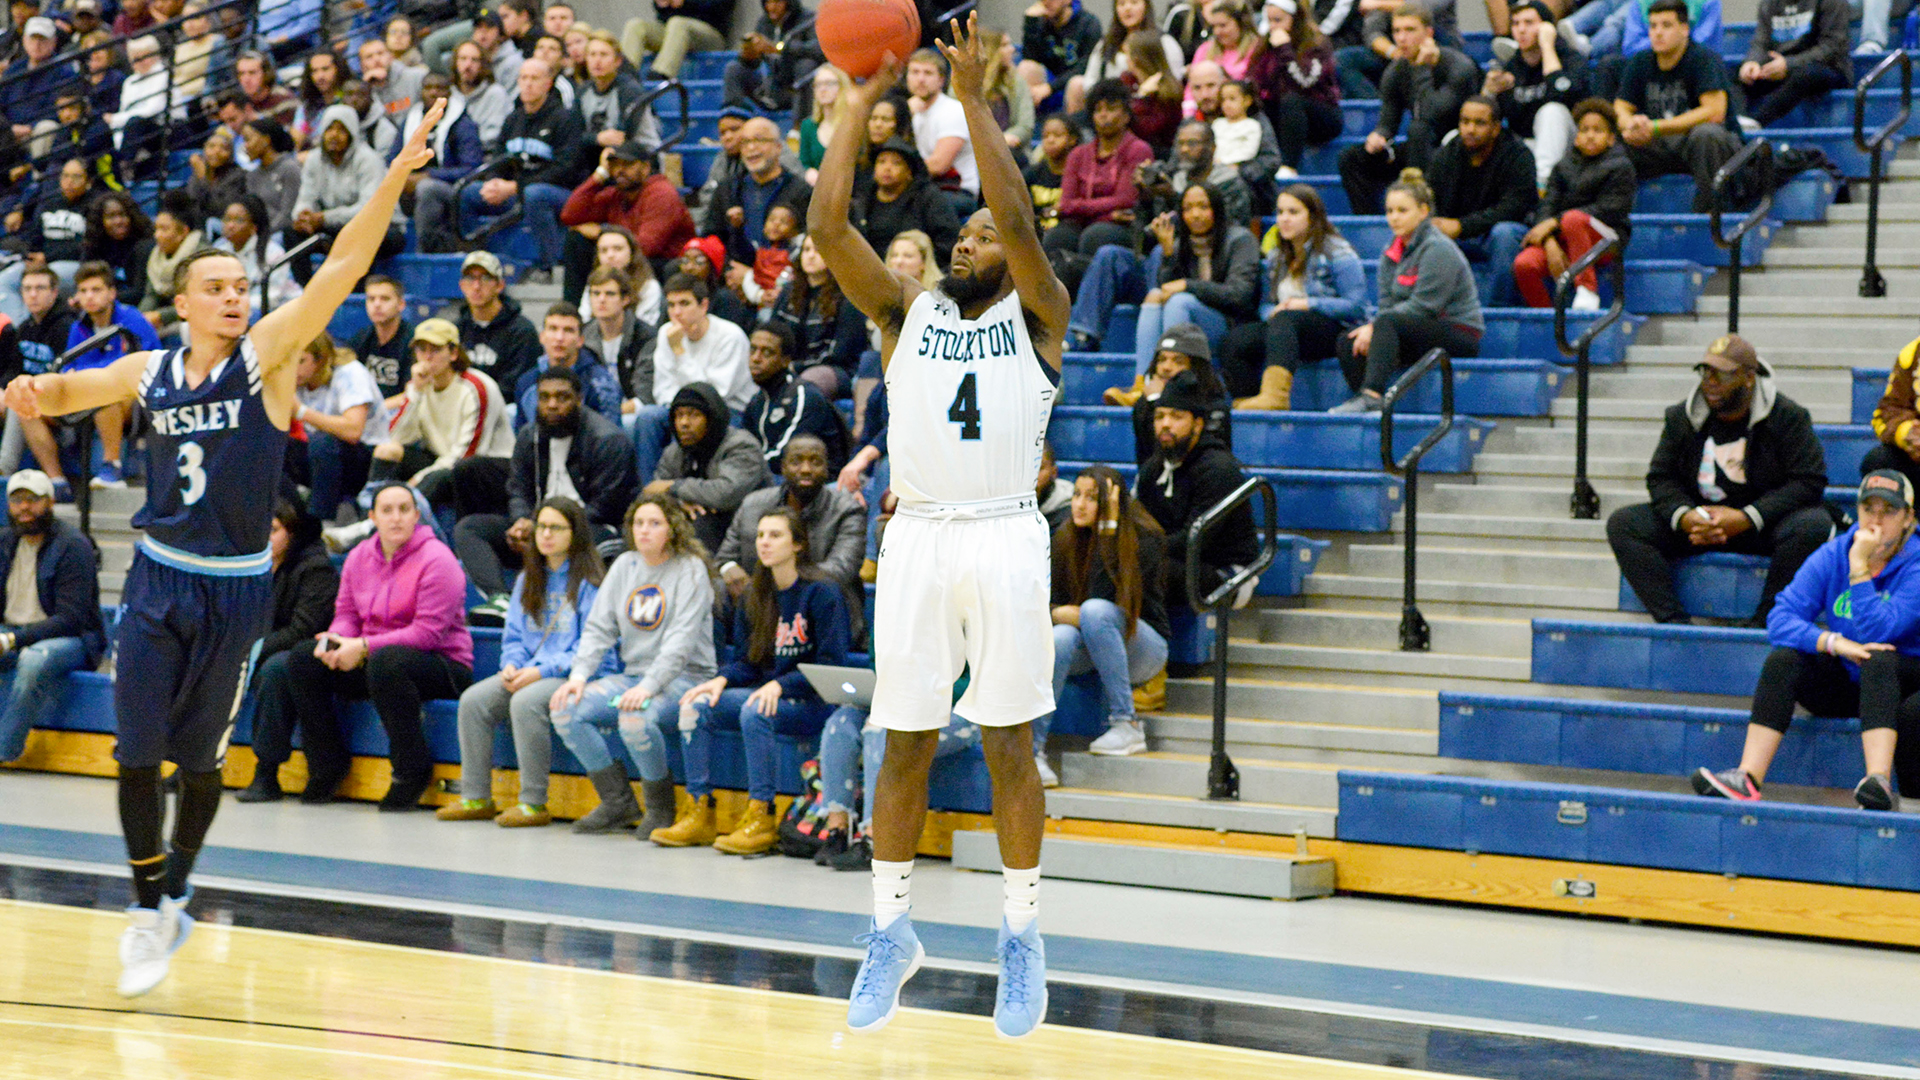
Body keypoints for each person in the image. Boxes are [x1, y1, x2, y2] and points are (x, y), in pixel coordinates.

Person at [0, 98, 448, 997]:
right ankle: (140, 903)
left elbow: (347, 263)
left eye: (244, 285)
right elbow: (64, 393)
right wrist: (29, 389)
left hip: (238, 592)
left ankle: (178, 886)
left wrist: (396, 172)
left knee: (199, 762)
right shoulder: (148, 369)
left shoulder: (270, 354)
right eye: (220, 287)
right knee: (135, 751)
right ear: (182, 301)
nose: (238, 297)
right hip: (161, 580)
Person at [809, 15, 1070, 1037]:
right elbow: (830, 229)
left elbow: (1017, 215)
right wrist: (863, 95)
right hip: (917, 534)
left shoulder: (1039, 309)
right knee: (902, 743)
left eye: (980, 239)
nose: (968, 243)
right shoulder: (903, 315)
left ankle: (1020, 933)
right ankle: (891, 931)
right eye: (954, 237)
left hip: (1005, 533)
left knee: (1008, 741)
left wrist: (970, 100)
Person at [1693, 469, 1920, 812]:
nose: (1876, 521)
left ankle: (1878, 782)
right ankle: (1747, 777)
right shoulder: (1834, 553)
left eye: (1888, 511)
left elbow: (1881, 631)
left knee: (1880, 660)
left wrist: (1859, 568)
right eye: (1868, 510)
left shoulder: (1915, 562)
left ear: (1907, 519)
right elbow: (1780, 617)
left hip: (1903, 683)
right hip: (1850, 678)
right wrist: (1832, 642)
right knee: (1784, 660)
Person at [1606, 334, 1834, 626]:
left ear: (1749, 377)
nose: (1710, 382)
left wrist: (1747, 517)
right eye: (1705, 372)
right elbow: (1661, 477)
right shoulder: (1683, 416)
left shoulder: (1787, 417)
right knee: (1624, 523)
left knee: (1813, 525)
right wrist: (1687, 516)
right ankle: (1675, 624)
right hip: (1701, 526)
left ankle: (1765, 623)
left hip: (1758, 526)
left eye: (1722, 374)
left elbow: (1809, 481)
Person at [665, 505, 849, 855]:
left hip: (813, 702)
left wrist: (782, 684)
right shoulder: (755, 594)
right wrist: (721, 680)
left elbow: (831, 664)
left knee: (754, 710)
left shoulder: (823, 593)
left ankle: (761, 813)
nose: (764, 543)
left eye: (775, 535)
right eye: (761, 535)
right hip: (767, 694)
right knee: (695, 705)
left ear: (798, 544)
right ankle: (699, 809)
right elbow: (746, 663)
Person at [290, 480, 474, 808]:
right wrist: (336, 640)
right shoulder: (359, 556)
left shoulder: (438, 560)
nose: (396, 518)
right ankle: (327, 765)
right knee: (305, 658)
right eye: (387, 511)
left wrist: (361, 647)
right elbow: (346, 613)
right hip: (377, 659)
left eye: (404, 510)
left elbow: (426, 635)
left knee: (387, 662)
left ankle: (411, 770)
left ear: (417, 515)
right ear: (372, 517)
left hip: (442, 665)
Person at [548, 493, 718, 839]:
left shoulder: (690, 569)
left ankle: (660, 807)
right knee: (565, 708)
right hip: (633, 676)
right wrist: (578, 676)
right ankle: (617, 801)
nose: (644, 531)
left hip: (687, 678)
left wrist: (648, 687)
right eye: (638, 524)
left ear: (672, 528)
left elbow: (682, 642)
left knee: (634, 717)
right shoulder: (625, 566)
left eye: (654, 523)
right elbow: (598, 627)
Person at [441, 496, 606, 828]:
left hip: (575, 673)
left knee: (526, 702)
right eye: (541, 527)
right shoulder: (527, 579)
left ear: (575, 533)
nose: (545, 535)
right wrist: (512, 665)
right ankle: (476, 796)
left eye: (555, 528)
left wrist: (540, 671)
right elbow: (514, 636)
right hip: (530, 669)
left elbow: (591, 647)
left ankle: (533, 802)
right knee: (474, 701)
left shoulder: (591, 583)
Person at [458, 365, 636, 610]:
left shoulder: (608, 440)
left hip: (588, 529)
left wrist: (548, 526)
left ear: (579, 400)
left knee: (601, 544)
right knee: (470, 528)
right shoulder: (529, 436)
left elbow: (606, 506)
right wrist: (522, 521)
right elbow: (518, 488)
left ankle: (576, 608)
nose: (552, 405)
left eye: (562, 397)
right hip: (539, 528)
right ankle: (500, 600)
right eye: (545, 398)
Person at [1037, 464, 1169, 763]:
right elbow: (1046, 603)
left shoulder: (1144, 538)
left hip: (1143, 646)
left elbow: (1107, 598)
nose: (1080, 505)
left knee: (1096, 611)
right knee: (1059, 638)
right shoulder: (1064, 536)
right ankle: (1034, 753)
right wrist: (1059, 614)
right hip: (1090, 640)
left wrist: (1108, 528)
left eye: (1092, 497)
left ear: (1113, 502)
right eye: (1076, 495)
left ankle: (1127, 723)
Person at [1333, 169, 1483, 413]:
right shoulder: (1390, 252)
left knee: (1385, 322)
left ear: (1423, 212)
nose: (1394, 218)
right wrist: (1373, 328)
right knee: (1348, 340)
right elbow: (1386, 304)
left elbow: (1426, 307)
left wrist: (1376, 326)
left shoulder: (1438, 248)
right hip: (1412, 329)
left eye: (1402, 211)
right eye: (1390, 211)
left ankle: (1373, 394)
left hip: (1458, 331)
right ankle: (1368, 405)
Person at [231, 498, 342, 802]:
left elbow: (303, 630)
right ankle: (189, 762)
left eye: (273, 530)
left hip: (301, 655)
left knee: (278, 669)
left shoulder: (315, 569)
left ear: (291, 533)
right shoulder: (248, 568)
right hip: (255, 651)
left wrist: (250, 652)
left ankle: (266, 774)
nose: (264, 537)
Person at [1222, 184, 1366, 409]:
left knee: (1286, 318)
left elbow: (1356, 307)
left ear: (1313, 216)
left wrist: (1307, 304)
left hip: (1332, 330)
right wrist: (1274, 311)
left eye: (1293, 212)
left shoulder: (1336, 250)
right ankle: (1246, 402)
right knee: (1236, 340)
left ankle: (1276, 396)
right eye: (1280, 212)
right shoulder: (1276, 255)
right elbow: (1266, 305)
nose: (1284, 219)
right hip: (1286, 331)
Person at [0, 469, 106, 764]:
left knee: (33, 660)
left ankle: (5, 750)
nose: (24, 508)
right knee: (25, 653)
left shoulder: (73, 546)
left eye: (32, 500)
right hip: (12, 634)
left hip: (70, 641)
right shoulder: (4, 543)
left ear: (49, 503)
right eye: (17, 500)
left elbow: (71, 618)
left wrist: (12, 639)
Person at [1336, 7, 1483, 211]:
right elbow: (1388, 122)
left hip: (1459, 151)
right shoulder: (1395, 71)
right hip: (1420, 148)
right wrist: (1379, 136)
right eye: (1397, 31)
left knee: (1418, 130)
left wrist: (1422, 68)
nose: (1402, 38)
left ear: (1429, 33)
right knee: (1351, 158)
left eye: (1410, 30)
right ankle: (1370, 223)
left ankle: (1420, 211)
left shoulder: (1459, 67)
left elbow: (1430, 114)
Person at [1137, 370, 1260, 613]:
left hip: (1226, 572)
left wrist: (1140, 548)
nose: (1165, 424)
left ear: (1197, 424)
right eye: (1159, 416)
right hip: (1177, 560)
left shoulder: (1218, 468)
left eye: (1176, 416)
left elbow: (1195, 539)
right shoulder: (1153, 467)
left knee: (1141, 564)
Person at [1124, 184, 1262, 394]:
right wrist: (1169, 254)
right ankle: (1142, 383)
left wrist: (1188, 285)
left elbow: (1239, 295)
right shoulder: (1181, 244)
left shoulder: (1240, 239)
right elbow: (1166, 289)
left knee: (1181, 300)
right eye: (1188, 209)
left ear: (1217, 209)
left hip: (1230, 326)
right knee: (1154, 296)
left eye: (1203, 207)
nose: (1195, 215)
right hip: (1186, 321)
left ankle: (1174, 382)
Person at [367, 318, 516, 510]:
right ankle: (369, 513)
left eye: (435, 350)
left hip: (486, 467)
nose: (427, 358)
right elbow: (397, 437)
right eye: (421, 350)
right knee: (387, 451)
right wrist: (415, 394)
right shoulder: (419, 386)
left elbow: (468, 454)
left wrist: (420, 478)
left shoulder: (476, 387)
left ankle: (375, 528)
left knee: (442, 475)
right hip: (441, 458)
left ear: (454, 353)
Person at [1612, 0, 1740, 213]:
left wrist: (1655, 127)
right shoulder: (1640, 61)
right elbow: (1620, 106)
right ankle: (1616, 220)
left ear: (1685, 29)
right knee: (1612, 142)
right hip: (1660, 145)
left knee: (1707, 134)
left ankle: (1710, 218)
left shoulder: (1704, 58)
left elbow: (1714, 112)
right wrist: (1631, 125)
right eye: (1653, 26)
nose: (1658, 33)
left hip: (1702, 145)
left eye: (1666, 25)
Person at [463, 59, 582, 280]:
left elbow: (566, 169)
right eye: (523, 78)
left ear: (548, 84)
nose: (527, 84)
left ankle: (551, 267)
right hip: (518, 191)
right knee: (469, 193)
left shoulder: (566, 118)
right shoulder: (513, 119)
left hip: (559, 194)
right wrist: (494, 182)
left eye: (534, 79)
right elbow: (498, 158)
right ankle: (479, 261)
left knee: (534, 194)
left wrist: (515, 187)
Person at [1414, 96, 1538, 308]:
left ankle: (1500, 311)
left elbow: (1514, 208)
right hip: (1461, 236)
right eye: (1465, 122)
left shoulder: (1518, 155)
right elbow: (1429, 195)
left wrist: (1462, 226)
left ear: (1496, 128)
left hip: (1499, 235)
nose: (1470, 129)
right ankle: (1430, 308)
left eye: (1479, 123)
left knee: (1505, 233)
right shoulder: (1449, 153)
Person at [1513, 97, 1634, 308]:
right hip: (1565, 235)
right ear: (1576, 137)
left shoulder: (1622, 166)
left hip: (1608, 238)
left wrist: (1556, 221)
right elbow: (1546, 205)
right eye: (1584, 130)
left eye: (1598, 130)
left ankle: (1587, 291)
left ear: (1611, 138)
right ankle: (1548, 319)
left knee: (1573, 219)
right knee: (1524, 265)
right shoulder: (1562, 166)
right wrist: (1549, 241)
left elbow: (1611, 209)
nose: (1590, 135)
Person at [635, 274, 754, 483]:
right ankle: (650, 491)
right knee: (647, 417)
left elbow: (714, 395)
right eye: (671, 305)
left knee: (686, 420)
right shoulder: (665, 334)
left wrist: (680, 351)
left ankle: (682, 488)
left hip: (729, 411)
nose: (676, 312)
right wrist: (681, 409)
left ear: (704, 305)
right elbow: (662, 389)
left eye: (684, 303)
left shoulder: (730, 336)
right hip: (680, 407)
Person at [64, 260, 164, 488]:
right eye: (83, 291)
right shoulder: (77, 327)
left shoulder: (132, 320)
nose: (89, 296)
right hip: (88, 394)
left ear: (111, 293)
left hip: (141, 397)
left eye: (96, 290)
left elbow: (147, 363)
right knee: (33, 410)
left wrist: (88, 374)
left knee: (105, 390)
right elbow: (68, 366)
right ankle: (57, 481)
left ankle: (112, 467)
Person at [286, 104, 407, 286]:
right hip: (336, 226)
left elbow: (369, 210)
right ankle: (305, 291)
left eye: (341, 130)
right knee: (292, 232)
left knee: (361, 234)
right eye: (329, 129)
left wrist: (324, 218)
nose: (334, 135)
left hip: (382, 228)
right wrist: (303, 215)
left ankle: (355, 295)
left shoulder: (368, 160)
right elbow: (306, 197)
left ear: (352, 133)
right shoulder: (314, 159)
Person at [647, 381, 771, 550]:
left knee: (701, 521)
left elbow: (725, 493)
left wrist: (675, 487)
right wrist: (680, 503)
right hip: (705, 525)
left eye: (693, 415)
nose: (684, 423)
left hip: (747, 530)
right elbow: (653, 491)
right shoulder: (675, 451)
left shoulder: (741, 445)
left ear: (711, 418)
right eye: (678, 415)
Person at [559, 141, 695, 297]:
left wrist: (603, 233)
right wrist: (600, 174)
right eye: (614, 165)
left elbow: (646, 248)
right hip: (629, 258)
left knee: (614, 255)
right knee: (576, 240)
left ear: (646, 168)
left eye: (628, 164)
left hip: (663, 265)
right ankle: (572, 314)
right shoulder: (616, 194)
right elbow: (569, 215)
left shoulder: (661, 193)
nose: (620, 170)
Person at [1043, 79, 1154, 258]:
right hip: (1091, 223)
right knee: (1057, 237)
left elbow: (1125, 200)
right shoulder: (1078, 154)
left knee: (1095, 235)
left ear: (1126, 115)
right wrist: (1109, 215)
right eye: (1098, 109)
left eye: (1110, 109)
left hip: (1123, 229)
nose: (1103, 115)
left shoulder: (1138, 150)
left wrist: (1079, 208)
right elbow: (1066, 202)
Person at [290, 332, 389, 524]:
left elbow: (353, 431)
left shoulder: (351, 373)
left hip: (366, 458)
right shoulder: (297, 380)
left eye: (301, 361)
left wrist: (301, 411)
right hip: (324, 457)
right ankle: (285, 517)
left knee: (323, 441)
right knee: (275, 445)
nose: (293, 369)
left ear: (320, 360)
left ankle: (322, 523)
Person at [1485, 1, 1585, 185]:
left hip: (1570, 144)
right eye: (1515, 23)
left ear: (1547, 27)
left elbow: (1561, 94)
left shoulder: (1570, 58)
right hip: (1528, 144)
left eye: (1529, 23)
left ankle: (1542, 188)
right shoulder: (1511, 68)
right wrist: (1489, 92)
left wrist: (1547, 46)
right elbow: (1490, 118)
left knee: (1552, 111)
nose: (1521, 30)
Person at [705, 115, 812, 272]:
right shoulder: (727, 190)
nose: (751, 148)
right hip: (733, 279)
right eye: (745, 142)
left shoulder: (801, 191)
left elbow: (806, 244)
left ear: (778, 147)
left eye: (759, 140)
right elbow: (713, 239)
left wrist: (753, 276)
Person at [1248, 0, 1342, 175]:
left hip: (1322, 114)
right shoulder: (1266, 44)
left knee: (1292, 100)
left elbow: (1304, 83)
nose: (1274, 27)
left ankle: (1289, 166)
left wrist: (1285, 50)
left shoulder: (1316, 44)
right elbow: (1256, 81)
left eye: (1278, 20)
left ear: (1294, 19)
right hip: (1284, 115)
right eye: (1270, 21)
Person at [740, 324, 851, 471]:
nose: (756, 358)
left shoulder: (804, 396)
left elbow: (787, 456)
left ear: (785, 360)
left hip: (815, 483)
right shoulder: (757, 401)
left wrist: (744, 467)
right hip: (772, 476)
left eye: (767, 352)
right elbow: (745, 448)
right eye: (753, 349)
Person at [0, 159, 97, 325]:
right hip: (42, 263)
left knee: (38, 282)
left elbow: (88, 246)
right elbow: (34, 237)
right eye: (65, 176)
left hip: (74, 265)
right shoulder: (50, 202)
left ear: (89, 181)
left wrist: (47, 257)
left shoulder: (95, 205)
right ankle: (21, 329)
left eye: (76, 177)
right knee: (5, 281)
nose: (69, 182)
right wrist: (29, 255)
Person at [770, 235, 868, 398]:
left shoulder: (848, 297)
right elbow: (772, 333)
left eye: (818, 250)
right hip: (790, 366)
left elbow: (839, 354)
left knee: (805, 384)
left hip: (835, 370)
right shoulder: (789, 291)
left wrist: (795, 367)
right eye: (806, 250)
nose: (810, 255)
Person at [402, 75, 487, 255]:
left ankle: (425, 252)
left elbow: (472, 169)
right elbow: (392, 159)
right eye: (428, 88)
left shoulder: (463, 124)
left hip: (454, 191)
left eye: (440, 88)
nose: (434, 92)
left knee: (427, 188)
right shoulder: (411, 120)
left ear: (449, 93)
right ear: (421, 92)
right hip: (411, 187)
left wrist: (430, 175)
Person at [852, 138, 961, 273]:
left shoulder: (928, 197)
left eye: (896, 163)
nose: (887, 168)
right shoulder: (862, 200)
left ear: (909, 172)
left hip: (918, 275)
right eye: (881, 162)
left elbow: (947, 242)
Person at [1738, 0, 1850, 129]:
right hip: (1779, 68)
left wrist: (1789, 64)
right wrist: (1752, 62)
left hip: (1826, 67)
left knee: (1805, 74)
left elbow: (1832, 47)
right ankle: (1735, 124)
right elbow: (1760, 42)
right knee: (1734, 75)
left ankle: (1755, 122)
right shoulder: (1769, 3)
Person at [444, 251, 541, 397]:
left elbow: (517, 386)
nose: (476, 286)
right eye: (470, 278)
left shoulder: (522, 331)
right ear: (462, 285)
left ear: (499, 285)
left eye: (485, 278)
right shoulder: (455, 331)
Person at [512, 302, 622, 427]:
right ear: (542, 337)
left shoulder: (601, 383)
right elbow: (522, 437)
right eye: (553, 329)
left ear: (580, 340)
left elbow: (611, 437)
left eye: (568, 330)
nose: (559, 337)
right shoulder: (526, 383)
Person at [1067, 0, 1186, 115]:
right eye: (1121, 3)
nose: (1127, 8)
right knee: (1076, 84)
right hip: (1107, 106)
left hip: (1150, 107)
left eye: (1134, 2)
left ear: (1146, 6)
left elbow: (1172, 84)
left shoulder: (1165, 42)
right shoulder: (1106, 44)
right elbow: (1090, 81)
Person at [1337, 0, 1465, 99]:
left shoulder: (1382, 3)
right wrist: (1394, 53)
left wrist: (1380, 3)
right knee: (1342, 60)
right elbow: (1372, 33)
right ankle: (1377, 107)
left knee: (1437, 33)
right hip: (1398, 51)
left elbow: (1423, 8)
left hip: (1438, 48)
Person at [904, 48, 981, 210]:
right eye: (915, 72)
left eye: (928, 73)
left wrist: (899, 173)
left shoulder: (953, 110)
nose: (920, 79)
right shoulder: (908, 110)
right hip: (923, 186)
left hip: (956, 191)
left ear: (941, 80)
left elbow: (938, 166)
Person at [724, 0, 820, 118]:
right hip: (771, 87)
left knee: (806, 65)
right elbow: (754, 64)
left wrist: (780, 48)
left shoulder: (808, 19)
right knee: (734, 68)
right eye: (768, 2)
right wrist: (748, 56)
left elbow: (819, 49)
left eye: (777, 2)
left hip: (795, 87)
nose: (771, 7)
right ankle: (733, 121)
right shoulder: (764, 22)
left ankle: (800, 126)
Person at [578, 29, 661, 155]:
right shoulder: (582, 91)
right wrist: (597, 138)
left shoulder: (630, 90)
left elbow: (621, 137)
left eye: (604, 54)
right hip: (601, 153)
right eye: (592, 54)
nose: (597, 60)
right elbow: (573, 135)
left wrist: (592, 139)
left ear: (618, 61)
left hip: (639, 157)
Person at [213, 195, 295, 316]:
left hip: (283, 313)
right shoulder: (219, 252)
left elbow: (272, 297)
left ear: (253, 227)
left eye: (239, 220)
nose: (230, 225)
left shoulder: (273, 252)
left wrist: (232, 305)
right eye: (227, 219)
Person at [1020, 0, 1104, 109]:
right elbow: (1030, 58)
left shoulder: (1089, 23)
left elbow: (1085, 67)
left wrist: (1050, 87)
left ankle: (1072, 125)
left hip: (1072, 84)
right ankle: (1027, 123)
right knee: (1026, 67)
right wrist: (1030, 23)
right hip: (1048, 81)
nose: (1046, 2)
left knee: (1077, 83)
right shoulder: (1041, 20)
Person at [1863, 335, 1920, 494]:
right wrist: (1907, 432)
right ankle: (1895, 517)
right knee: (1879, 460)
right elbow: (1886, 413)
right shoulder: (1913, 352)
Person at [140, 197, 204, 336]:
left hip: (196, 318)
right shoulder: (156, 256)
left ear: (183, 232)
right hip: (170, 315)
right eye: (156, 229)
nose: (157, 235)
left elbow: (198, 301)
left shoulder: (201, 256)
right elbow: (151, 295)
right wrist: (141, 317)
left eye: (164, 229)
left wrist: (160, 316)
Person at [83, 193, 157, 311]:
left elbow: (139, 293)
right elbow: (86, 279)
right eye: (111, 216)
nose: (118, 221)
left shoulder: (144, 246)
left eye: (122, 215)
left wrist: (104, 297)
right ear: (100, 221)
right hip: (102, 304)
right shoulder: (94, 245)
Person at [624, 0, 731, 81]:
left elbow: (721, 6)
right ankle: (624, 78)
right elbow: (662, 12)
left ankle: (660, 76)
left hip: (711, 34)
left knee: (678, 23)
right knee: (635, 25)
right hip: (672, 32)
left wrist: (687, 3)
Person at [352, 274, 415, 403]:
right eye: (371, 299)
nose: (377, 304)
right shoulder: (361, 338)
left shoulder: (413, 341)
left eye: (385, 299)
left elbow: (413, 393)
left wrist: (376, 412)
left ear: (401, 304)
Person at [240, 117, 301, 237]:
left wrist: (262, 236)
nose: (245, 146)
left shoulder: (289, 168)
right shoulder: (252, 176)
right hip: (260, 235)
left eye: (248, 139)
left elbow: (288, 215)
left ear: (266, 139)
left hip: (283, 234)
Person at [185, 127, 246, 233]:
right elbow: (192, 202)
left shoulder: (237, 175)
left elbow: (221, 210)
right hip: (200, 227)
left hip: (224, 228)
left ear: (231, 154)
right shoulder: (200, 172)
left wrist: (203, 178)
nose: (216, 151)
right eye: (211, 146)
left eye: (224, 148)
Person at [451, 39, 511, 145]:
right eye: (463, 59)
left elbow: (495, 134)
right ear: (455, 63)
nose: (468, 65)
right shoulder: (449, 94)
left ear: (483, 65)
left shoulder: (496, 94)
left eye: (474, 60)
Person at [1025, 115, 1078, 233]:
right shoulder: (1033, 173)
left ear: (1072, 139)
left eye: (1057, 135)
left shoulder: (1080, 174)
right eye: (1045, 136)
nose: (1050, 140)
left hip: (1064, 233)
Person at [799, 65, 850, 184]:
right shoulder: (808, 126)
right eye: (818, 85)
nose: (823, 89)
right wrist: (809, 172)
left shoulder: (851, 124)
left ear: (842, 86)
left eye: (829, 83)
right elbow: (804, 163)